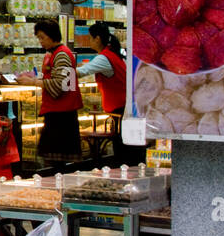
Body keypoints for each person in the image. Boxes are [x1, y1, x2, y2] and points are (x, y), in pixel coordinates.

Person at [16, 19, 83, 162]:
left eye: (42, 37)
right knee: (55, 159)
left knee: (58, 160)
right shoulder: (53, 54)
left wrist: (33, 82)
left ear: (52, 35)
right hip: (57, 111)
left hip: (62, 114)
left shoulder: (62, 55)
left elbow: (61, 85)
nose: (40, 41)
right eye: (38, 38)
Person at [77, 21, 144, 161]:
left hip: (119, 108)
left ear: (97, 39)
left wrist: (59, 71)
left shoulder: (104, 58)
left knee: (123, 148)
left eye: (90, 37)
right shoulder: (114, 55)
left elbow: (82, 72)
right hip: (126, 106)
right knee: (128, 145)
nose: (89, 41)